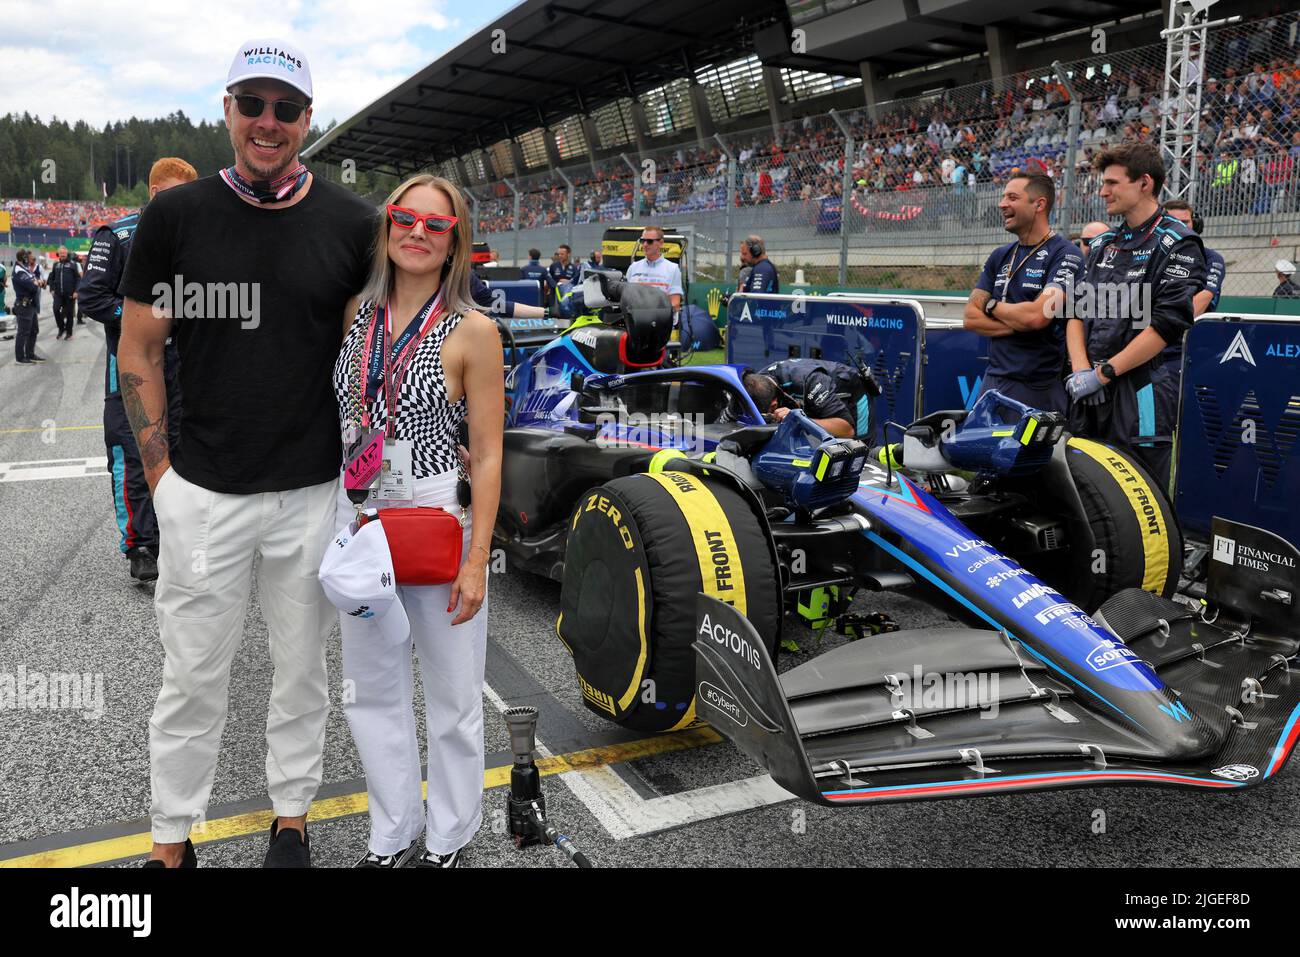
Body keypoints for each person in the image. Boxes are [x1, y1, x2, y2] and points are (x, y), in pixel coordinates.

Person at [117, 37, 377, 869]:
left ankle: (291, 819)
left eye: (286, 108)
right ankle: (170, 842)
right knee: (191, 678)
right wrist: (163, 482)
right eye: (253, 104)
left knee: (301, 672)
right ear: (227, 108)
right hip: (204, 492)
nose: (269, 123)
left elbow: (371, 356)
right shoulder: (175, 215)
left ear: (308, 118)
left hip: (310, 493)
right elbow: (138, 351)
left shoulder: (352, 223)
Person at [330, 174, 503, 869]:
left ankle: (449, 836)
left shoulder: (474, 330)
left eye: (437, 224)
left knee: (454, 692)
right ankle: (391, 832)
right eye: (406, 218)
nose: (418, 233)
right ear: (388, 225)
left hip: (436, 511)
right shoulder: (355, 316)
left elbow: (489, 454)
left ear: (454, 239)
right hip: (363, 511)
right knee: (372, 688)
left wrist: (476, 557)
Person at [79, 157, 196, 582]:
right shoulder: (118, 235)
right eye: (170, 197)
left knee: (183, 449)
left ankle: (177, 538)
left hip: (182, 363)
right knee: (132, 452)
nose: (179, 206)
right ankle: (141, 545)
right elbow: (91, 296)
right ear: (153, 194)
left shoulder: (196, 237)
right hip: (128, 361)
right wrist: (141, 320)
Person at [1065, 143, 1205, 491]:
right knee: (1084, 491)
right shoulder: (1101, 244)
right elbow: (1075, 312)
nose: (1103, 191)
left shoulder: (1178, 242)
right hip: (1089, 393)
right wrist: (1082, 370)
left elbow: (1168, 324)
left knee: (1141, 497)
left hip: (1140, 391)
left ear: (1144, 183)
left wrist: (1105, 373)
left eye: (1112, 183)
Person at [963, 172, 1083, 413]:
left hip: (1036, 389)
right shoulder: (1001, 255)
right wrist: (1017, 325)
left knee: (1032, 452)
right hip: (992, 382)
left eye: (1012, 197)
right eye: (1003, 197)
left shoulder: (1065, 253)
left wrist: (992, 307)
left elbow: (1037, 316)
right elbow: (969, 318)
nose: (1002, 203)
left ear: (1039, 204)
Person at [742, 358, 870, 440]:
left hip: (853, 393)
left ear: (774, 405)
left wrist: (799, 419)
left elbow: (847, 430)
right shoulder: (755, 382)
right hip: (814, 402)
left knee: (862, 451)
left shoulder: (811, 382)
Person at [625, 225, 682, 314]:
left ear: (661, 243)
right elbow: (626, 298)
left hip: (660, 323)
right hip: (635, 323)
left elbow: (675, 303)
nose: (645, 245)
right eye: (643, 241)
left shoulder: (673, 269)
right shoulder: (633, 267)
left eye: (649, 241)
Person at [11, 250, 45, 365]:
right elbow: (32, 287)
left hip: (31, 305)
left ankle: (30, 354)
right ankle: (20, 358)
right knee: (23, 332)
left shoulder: (25, 269)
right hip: (24, 305)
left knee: (34, 330)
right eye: (29, 258)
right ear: (24, 258)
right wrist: (36, 282)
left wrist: (37, 282)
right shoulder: (19, 270)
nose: (31, 260)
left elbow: (37, 281)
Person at [48, 246, 80, 341]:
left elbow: (78, 279)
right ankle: (61, 328)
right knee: (56, 309)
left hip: (70, 294)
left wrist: (76, 291)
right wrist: (52, 289)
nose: (62, 255)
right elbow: (51, 278)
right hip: (58, 293)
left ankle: (69, 333)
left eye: (64, 253)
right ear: (59, 254)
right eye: (61, 253)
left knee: (69, 314)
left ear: (67, 254)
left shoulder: (73, 264)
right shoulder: (56, 265)